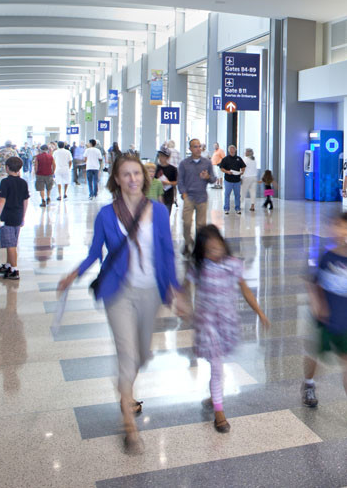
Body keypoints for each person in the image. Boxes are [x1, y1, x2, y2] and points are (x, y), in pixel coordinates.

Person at [56, 155, 181, 455]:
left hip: (150, 291)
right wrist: (74, 273)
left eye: (137, 173)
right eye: (125, 174)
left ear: (145, 177)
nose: (132, 179)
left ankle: (127, 392)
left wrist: (175, 289)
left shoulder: (159, 212)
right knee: (127, 355)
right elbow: (94, 253)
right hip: (119, 292)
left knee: (141, 355)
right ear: (116, 179)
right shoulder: (106, 215)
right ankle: (129, 425)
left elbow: (167, 253)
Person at [181, 224, 269, 433]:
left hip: (226, 323)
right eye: (210, 250)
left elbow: (246, 291)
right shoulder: (199, 269)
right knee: (217, 365)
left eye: (218, 247)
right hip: (207, 325)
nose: (215, 252)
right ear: (202, 252)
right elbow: (185, 287)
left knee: (218, 366)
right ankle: (219, 412)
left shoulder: (233, 265)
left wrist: (260, 313)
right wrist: (185, 308)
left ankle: (214, 395)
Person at [302, 211, 347, 434]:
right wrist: (317, 303)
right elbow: (312, 283)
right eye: (342, 227)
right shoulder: (328, 256)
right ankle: (309, 384)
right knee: (315, 356)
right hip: (325, 320)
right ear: (334, 230)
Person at [0, 157, 29, 281]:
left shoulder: (5, 182)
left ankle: (14, 269)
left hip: (7, 217)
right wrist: (23, 216)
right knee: (12, 242)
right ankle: (8, 265)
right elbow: (26, 201)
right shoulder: (23, 182)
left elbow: (2, 200)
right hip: (18, 216)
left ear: (7, 168)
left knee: (11, 245)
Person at [178, 139, 213, 254]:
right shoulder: (184, 163)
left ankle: (198, 248)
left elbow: (213, 179)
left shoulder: (207, 163)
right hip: (189, 197)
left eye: (199, 146)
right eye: (195, 146)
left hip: (202, 197)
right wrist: (183, 193)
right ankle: (188, 242)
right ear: (190, 149)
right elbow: (180, 180)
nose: (198, 149)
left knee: (201, 226)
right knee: (186, 223)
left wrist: (208, 177)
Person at [219, 145, 245, 215]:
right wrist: (227, 172)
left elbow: (243, 167)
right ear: (229, 151)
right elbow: (221, 168)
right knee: (227, 195)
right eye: (231, 150)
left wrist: (242, 171)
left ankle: (238, 208)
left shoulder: (239, 159)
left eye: (233, 150)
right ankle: (226, 209)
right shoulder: (225, 159)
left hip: (237, 180)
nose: (232, 151)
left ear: (235, 150)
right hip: (228, 180)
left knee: (237, 195)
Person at [155, 148, 178, 213]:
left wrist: (169, 183)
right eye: (159, 156)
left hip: (168, 196)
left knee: (166, 215)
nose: (160, 158)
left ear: (167, 157)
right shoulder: (155, 168)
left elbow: (176, 182)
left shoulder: (173, 169)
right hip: (156, 196)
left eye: (163, 156)